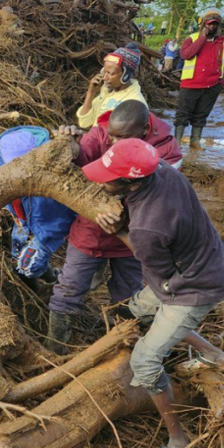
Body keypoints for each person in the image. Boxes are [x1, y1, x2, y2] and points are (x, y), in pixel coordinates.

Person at [82, 138, 224, 448]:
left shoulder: (147, 229)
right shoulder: (163, 169)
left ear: (131, 182)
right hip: (211, 260)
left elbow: (159, 269)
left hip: (194, 287)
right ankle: (215, 355)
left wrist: (119, 232)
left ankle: (178, 443)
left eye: (108, 179)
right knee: (138, 309)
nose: (101, 181)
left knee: (144, 361)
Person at [47, 101, 182, 353]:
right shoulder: (101, 133)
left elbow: (162, 197)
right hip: (91, 229)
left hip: (133, 238)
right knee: (69, 289)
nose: (115, 142)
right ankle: (55, 349)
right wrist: (69, 145)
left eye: (123, 137)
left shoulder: (165, 149)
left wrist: (123, 217)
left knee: (128, 295)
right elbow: (81, 157)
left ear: (144, 130)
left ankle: (121, 347)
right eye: (112, 136)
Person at [0, 127, 76, 287]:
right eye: (9, 167)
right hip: (22, 221)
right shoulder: (1, 156)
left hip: (47, 226)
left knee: (28, 266)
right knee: (17, 258)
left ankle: (54, 280)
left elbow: (61, 216)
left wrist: (44, 240)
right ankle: (47, 277)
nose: (13, 173)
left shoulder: (51, 173)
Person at [176, 7, 224, 149]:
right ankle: (176, 143)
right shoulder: (192, 38)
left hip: (212, 85)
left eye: (215, 24)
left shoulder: (223, 42)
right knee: (182, 115)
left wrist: (221, 81)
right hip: (191, 83)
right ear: (204, 24)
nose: (213, 27)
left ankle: (195, 142)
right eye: (210, 24)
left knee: (201, 115)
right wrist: (202, 38)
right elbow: (186, 55)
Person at [76, 43, 147, 129]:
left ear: (126, 75)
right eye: (104, 72)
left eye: (110, 73)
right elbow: (84, 123)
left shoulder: (135, 102)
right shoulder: (106, 92)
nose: (104, 78)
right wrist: (91, 92)